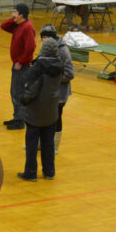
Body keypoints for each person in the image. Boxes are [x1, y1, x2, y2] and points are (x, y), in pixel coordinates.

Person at [17, 38, 64, 182]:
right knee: (48, 143)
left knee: (31, 143)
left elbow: (31, 88)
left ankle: (31, 173)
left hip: (35, 111)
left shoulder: (38, 66)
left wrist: (23, 99)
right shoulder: (59, 65)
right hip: (51, 109)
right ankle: (49, 171)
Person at [0, 3, 36, 131]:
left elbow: (31, 47)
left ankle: (20, 120)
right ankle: (17, 117)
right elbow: (3, 26)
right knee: (15, 92)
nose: (12, 15)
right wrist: (15, 19)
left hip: (23, 66)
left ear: (21, 14)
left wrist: (20, 62)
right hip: (18, 65)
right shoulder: (19, 25)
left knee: (18, 93)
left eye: (14, 12)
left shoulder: (27, 27)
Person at [39, 24, 74, 154]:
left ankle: (54, 146)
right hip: (48, 92)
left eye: (46, 37)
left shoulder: (63, 51)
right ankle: (40, 143)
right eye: (43, 37)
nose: (44, 40)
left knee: (56, 118)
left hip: (59, 94)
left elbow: (70, 73)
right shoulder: (47, 47)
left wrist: (53, 79)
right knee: (43, 117)